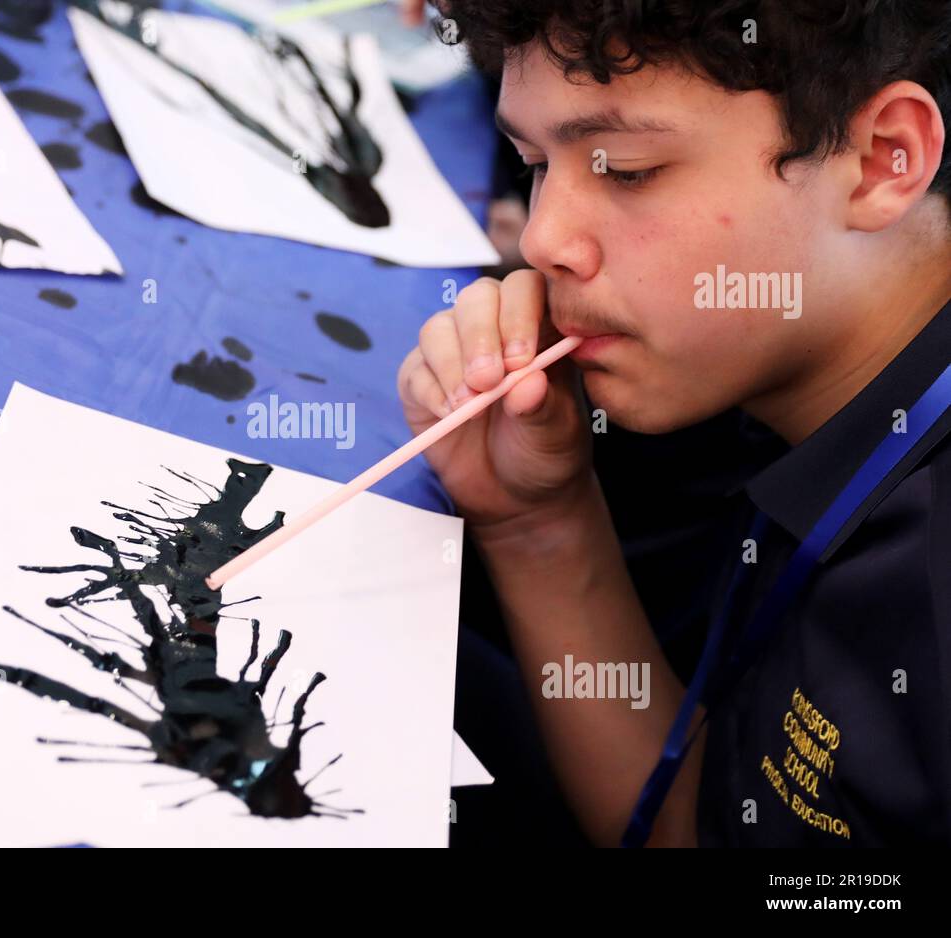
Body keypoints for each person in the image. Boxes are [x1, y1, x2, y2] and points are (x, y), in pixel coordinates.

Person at [399, 0, 951, 846]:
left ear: (882, 161)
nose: (545, 239)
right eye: (533, 161)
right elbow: (708, 822)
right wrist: (537, 522)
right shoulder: (768, 347)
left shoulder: (925, 600)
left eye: (625, 171)